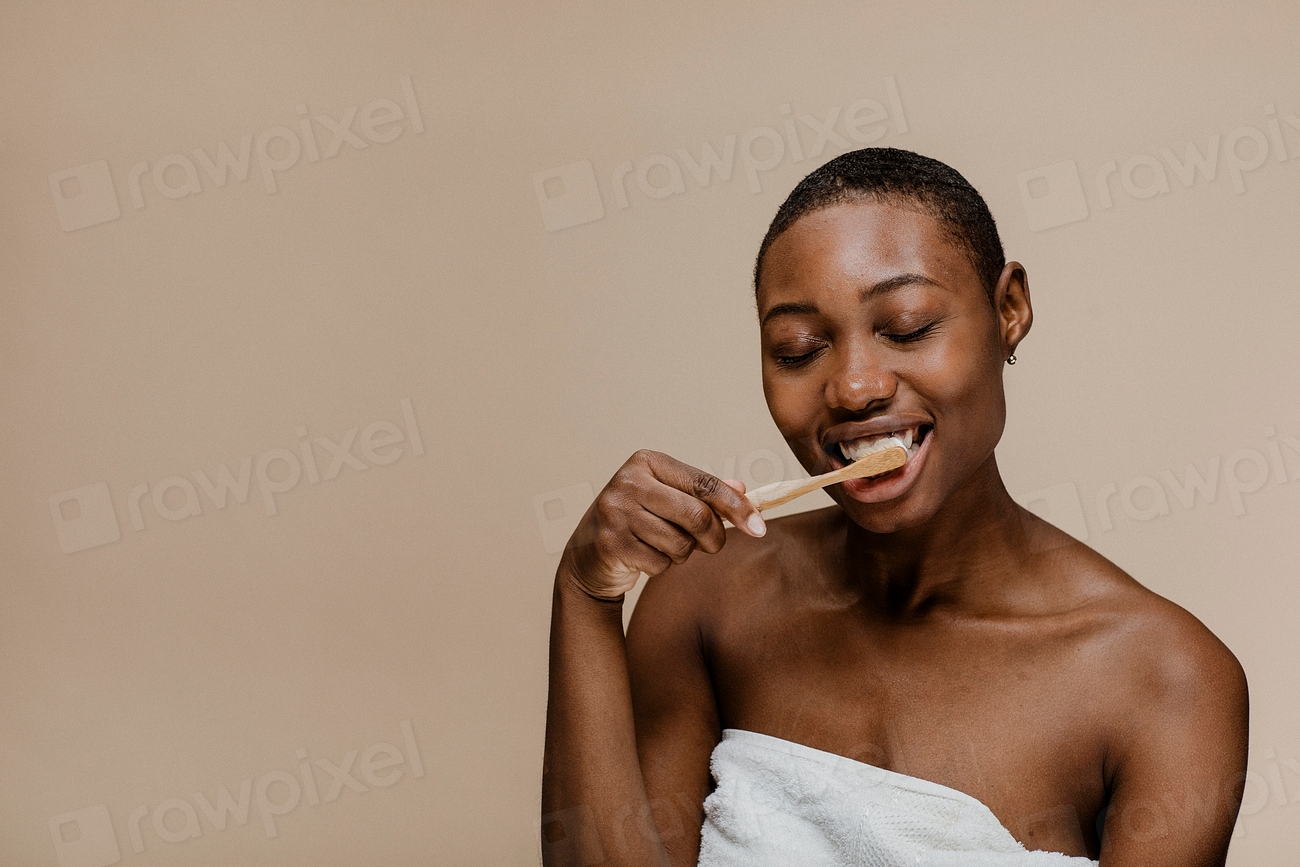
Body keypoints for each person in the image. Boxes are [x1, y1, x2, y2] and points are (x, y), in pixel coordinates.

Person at [541, 148, 1248, 867]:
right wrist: (585, 592)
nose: (853, 387)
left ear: (1009, 310)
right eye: (797, 348)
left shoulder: (1167, 678)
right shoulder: (702, 601)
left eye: (906, 326)